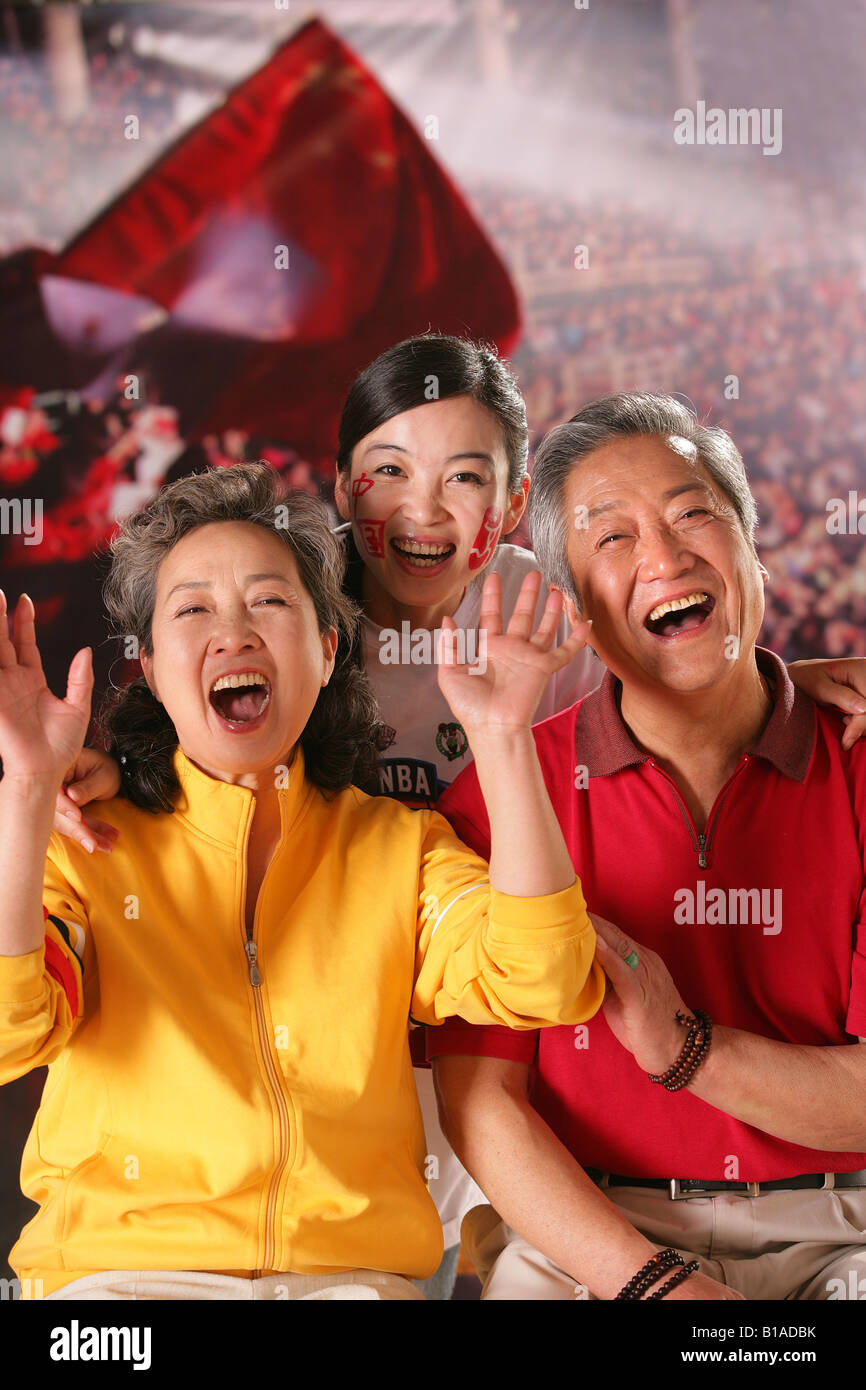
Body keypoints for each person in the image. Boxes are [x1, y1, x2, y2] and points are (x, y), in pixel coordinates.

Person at [50, 337, 866, 1299]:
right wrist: (82, 779)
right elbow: (186, 730)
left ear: (513, 507)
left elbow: (677, 657)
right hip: (336, 1034)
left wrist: (783, 682)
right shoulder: (281, 608)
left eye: (465, 477)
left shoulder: (538, 615)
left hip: (464, 980)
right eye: (389, 473)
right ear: (348, 497)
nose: (423, 510)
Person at [0, 462, 606, 1301]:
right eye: (192, 609)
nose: (234, 632)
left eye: (270, 601)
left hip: (350, 1284)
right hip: (117, 1285)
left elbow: (546, 981)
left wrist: (503, 735)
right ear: (147, 667)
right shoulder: (82, 845)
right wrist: (26, 795)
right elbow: (8, 1036)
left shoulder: (404, 851)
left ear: (326, 652)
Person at [429, 392, 866, 1301]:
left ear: (755, 552)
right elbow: (481, 1104)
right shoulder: (505, 788)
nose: (665, 557)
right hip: (595, 1237)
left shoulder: (859, 766)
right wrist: (659, 1287)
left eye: (692, 511)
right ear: (573, 609)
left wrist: (687, 1051)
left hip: (842, 1230)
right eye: (613, 538)